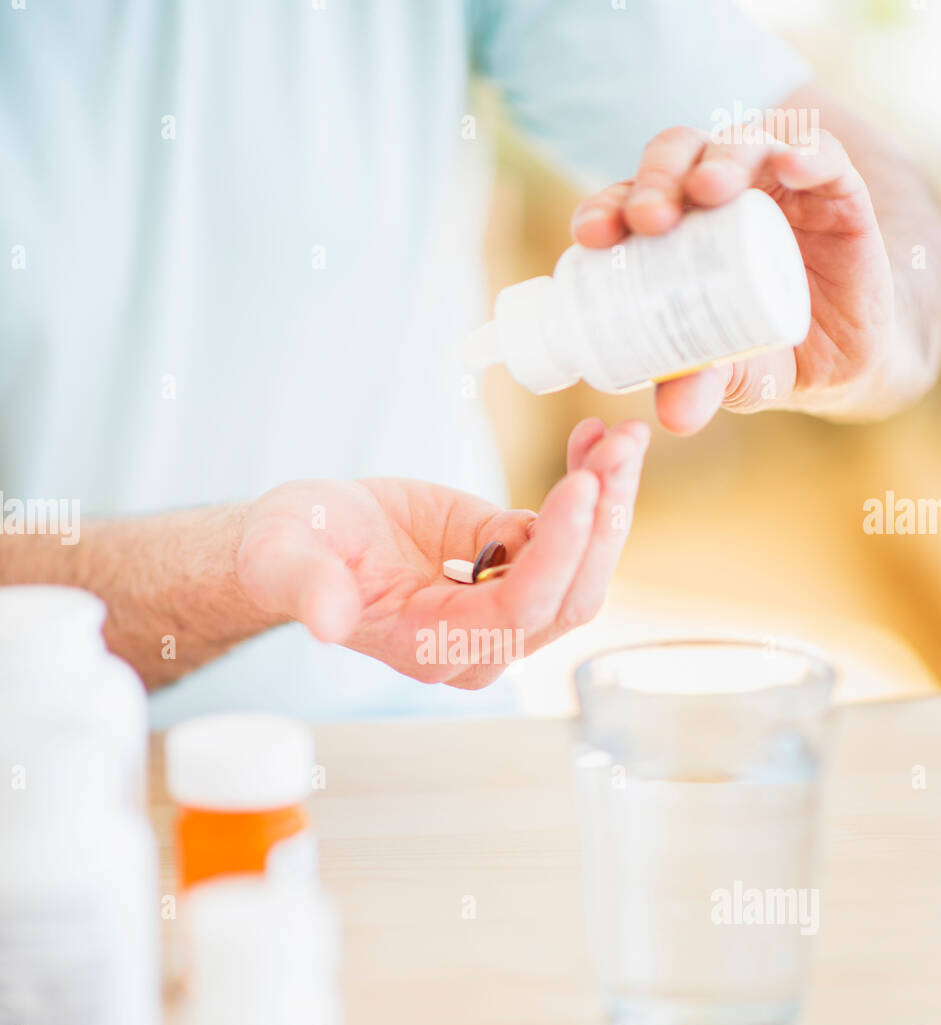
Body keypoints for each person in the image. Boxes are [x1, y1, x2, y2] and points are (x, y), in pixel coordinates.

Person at [2, 1, 939, 724]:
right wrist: (223, 574)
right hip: (42, 784)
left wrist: (870, 318)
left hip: (428, 757)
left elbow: (906, 260)